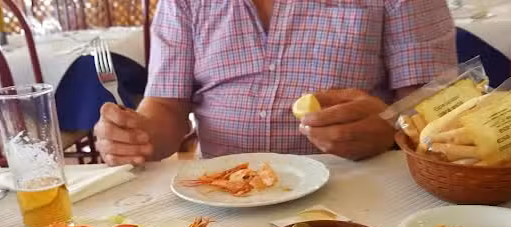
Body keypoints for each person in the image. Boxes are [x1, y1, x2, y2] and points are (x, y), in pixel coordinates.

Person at [94, 0, 457, 165]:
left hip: (354, 191)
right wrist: (137, 136)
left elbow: (436, 105)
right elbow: (167, 106)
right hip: (221, 194)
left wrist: (390, 126)